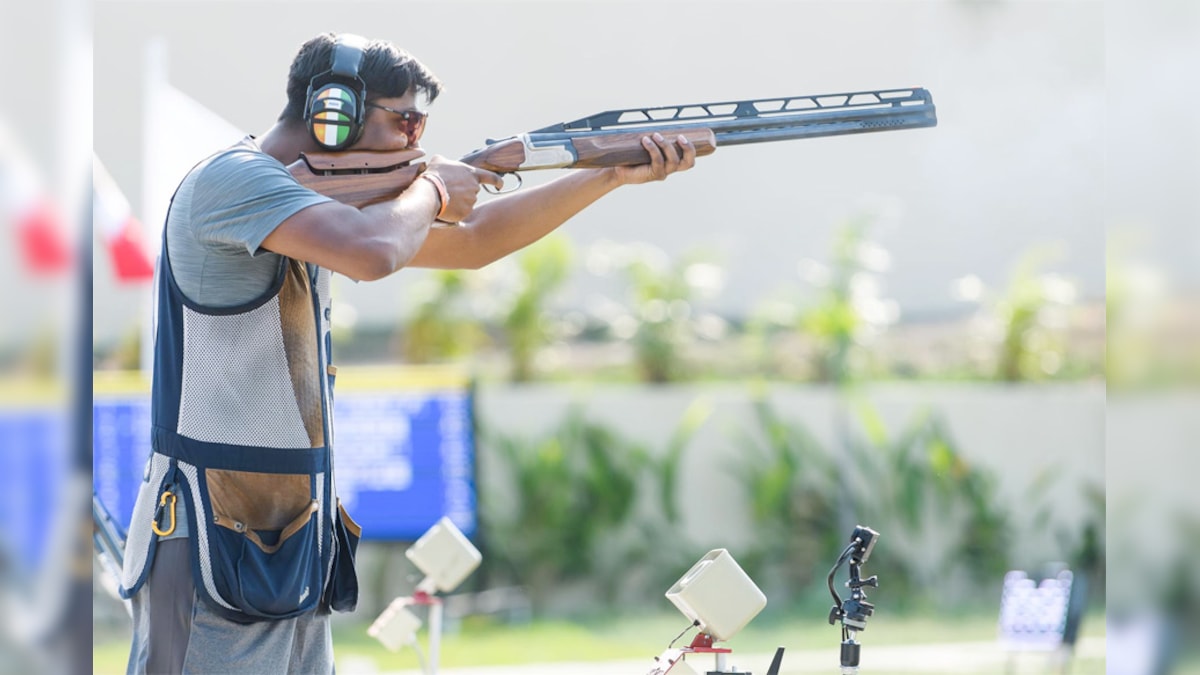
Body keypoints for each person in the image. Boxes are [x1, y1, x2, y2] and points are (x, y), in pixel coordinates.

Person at [119, 32, 697, 674]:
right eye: (405, 121)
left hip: (281, 539)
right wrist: (432, 192)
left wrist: (607, 173)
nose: (416, 144)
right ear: (330, 113)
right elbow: (373, 254)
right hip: (209, 537)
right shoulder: (234, 180)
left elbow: (474, 240)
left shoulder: (306, 201)